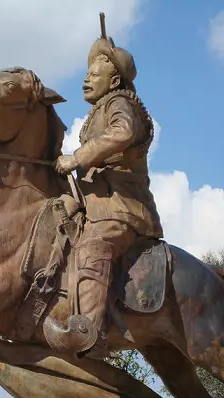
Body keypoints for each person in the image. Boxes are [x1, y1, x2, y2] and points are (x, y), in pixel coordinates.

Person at [54, 33, 163, 357]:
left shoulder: (121, 104)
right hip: (94, 206)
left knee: (93, 250)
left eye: (94, 74)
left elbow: (123, 133)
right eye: (86, 74)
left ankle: (91, 337)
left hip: (121, 210)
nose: (86, 79)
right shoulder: (98, 111)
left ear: (114, 79)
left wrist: (78, 157)